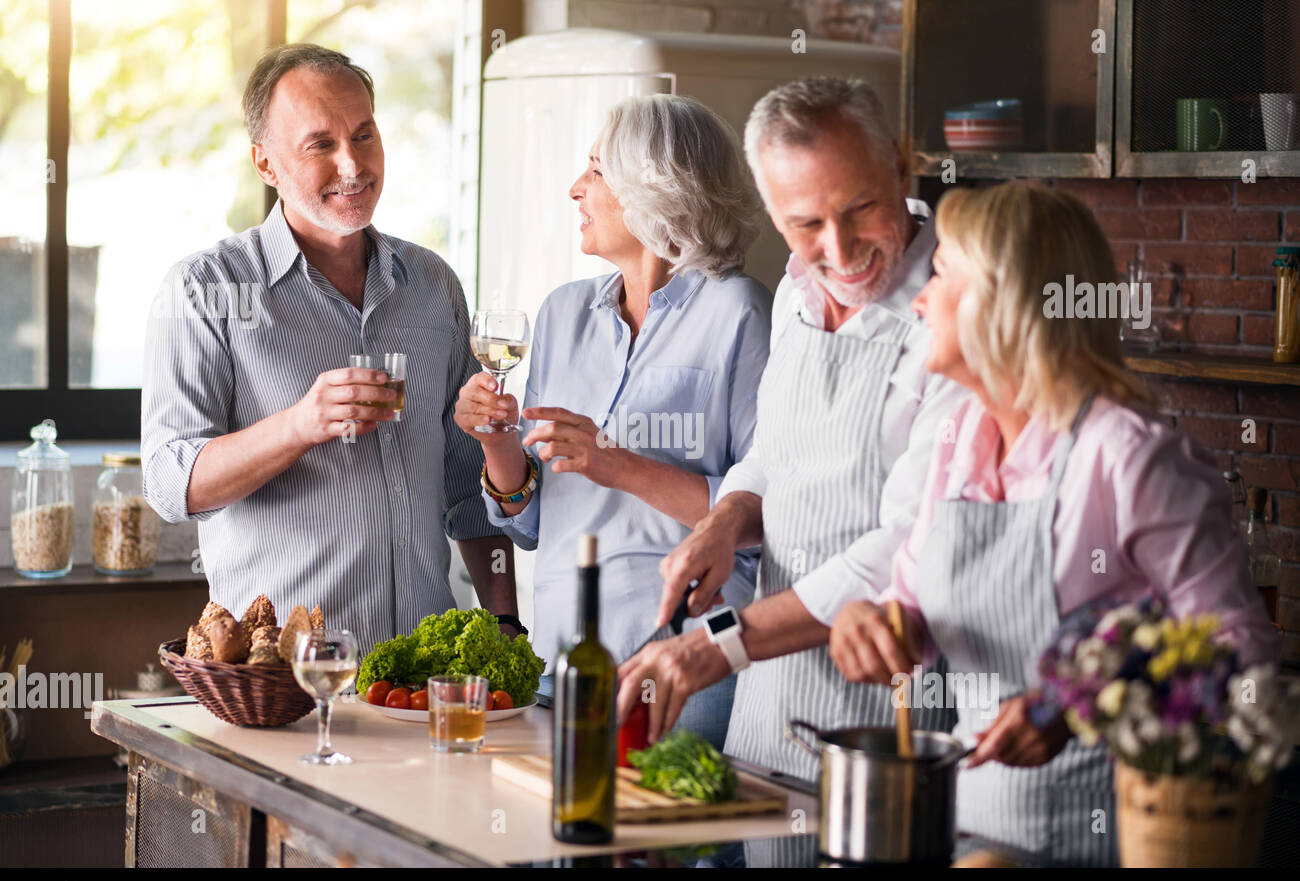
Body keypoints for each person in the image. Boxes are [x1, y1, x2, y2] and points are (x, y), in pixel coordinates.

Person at [827, 181, 1280, 865]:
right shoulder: (958, 438)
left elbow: (1243, 656)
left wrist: (1076, 706)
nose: (918, 298)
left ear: (1001, 301)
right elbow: (913, 608)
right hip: (973, 836)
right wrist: (876, 622)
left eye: (942, 273)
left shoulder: (1128, 457)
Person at [615, 77, 966, 780]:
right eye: (805, 225)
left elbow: (908, 545)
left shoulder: (959, 308)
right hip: (768, 710)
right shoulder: (796, 297)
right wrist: (725, 521)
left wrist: (719, 646)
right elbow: (773, 458)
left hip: (888, 727)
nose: (839, 250)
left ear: (900, 169)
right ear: (774, 216)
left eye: (861, 208)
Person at [142, 44, 517, 658]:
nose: (354, 164)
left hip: (419, 676)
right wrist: (299, 425)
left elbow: (466, 487)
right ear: (265, 163)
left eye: (364, 135)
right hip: (283, 679)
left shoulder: (432, 283)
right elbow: (167, 482)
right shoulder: (205, 290)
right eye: (321, 145)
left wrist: (506, 627)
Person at [454, 94, 771, 749]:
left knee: (685, 852)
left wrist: (614, 461)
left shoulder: (738, 312)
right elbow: (533, 519)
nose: (576, 188)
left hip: (686, 672)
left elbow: (763, 516)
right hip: (562, 663)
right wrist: (498, 443)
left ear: (655, 186)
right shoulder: (564, 312)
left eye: (595, 170)